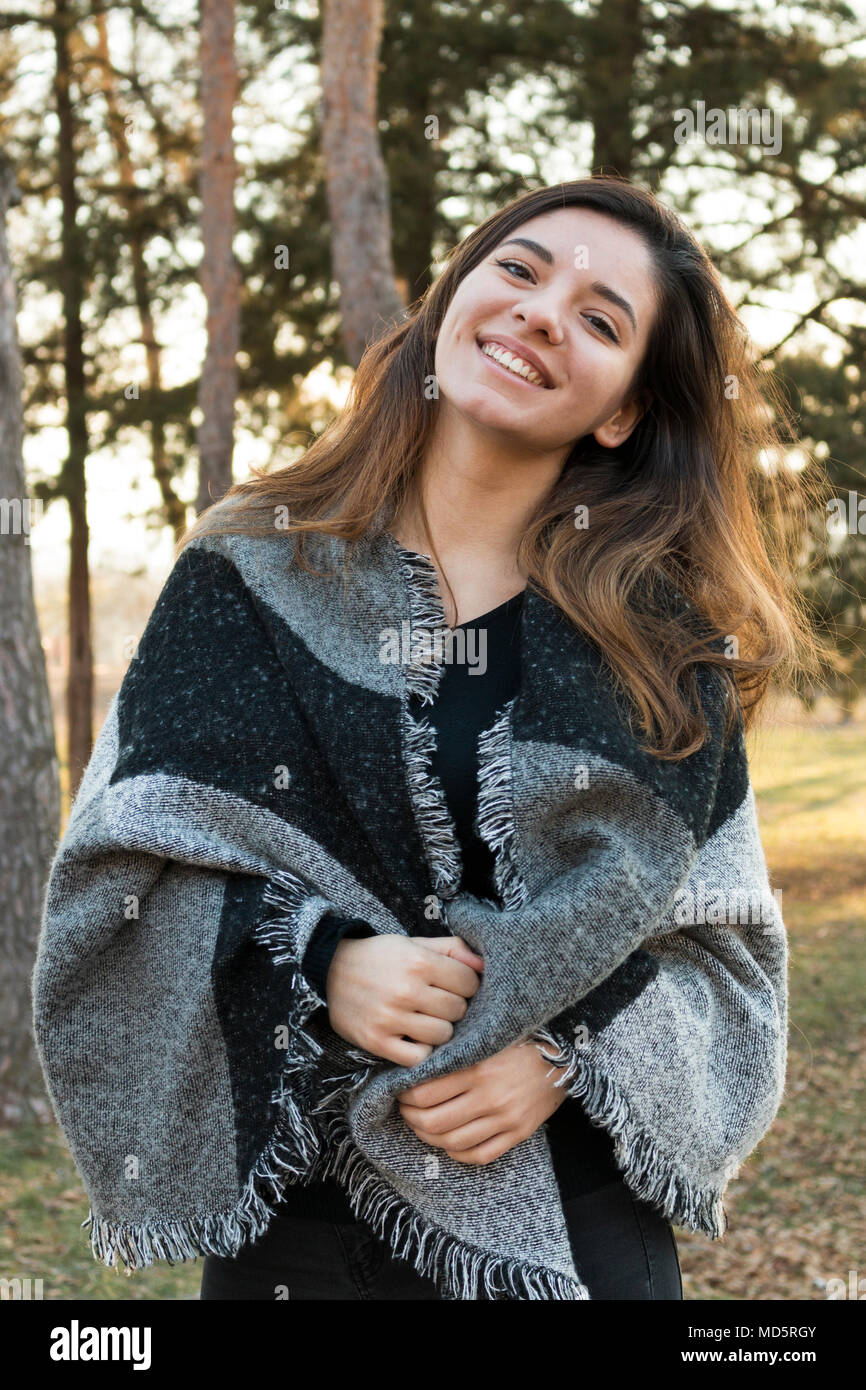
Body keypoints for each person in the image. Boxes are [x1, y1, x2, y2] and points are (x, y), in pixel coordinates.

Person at [34, 175, 825, 1301]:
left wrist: (569, 1051)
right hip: (302, 1227)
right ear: (452, 301)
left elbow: (723, 951)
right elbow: (123, 870)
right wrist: (319, 959)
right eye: (518, 268)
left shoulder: (657, 646)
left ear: (618, 411)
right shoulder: (253, 567)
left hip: (573, 1221)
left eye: (600, 320)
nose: (542, 312)